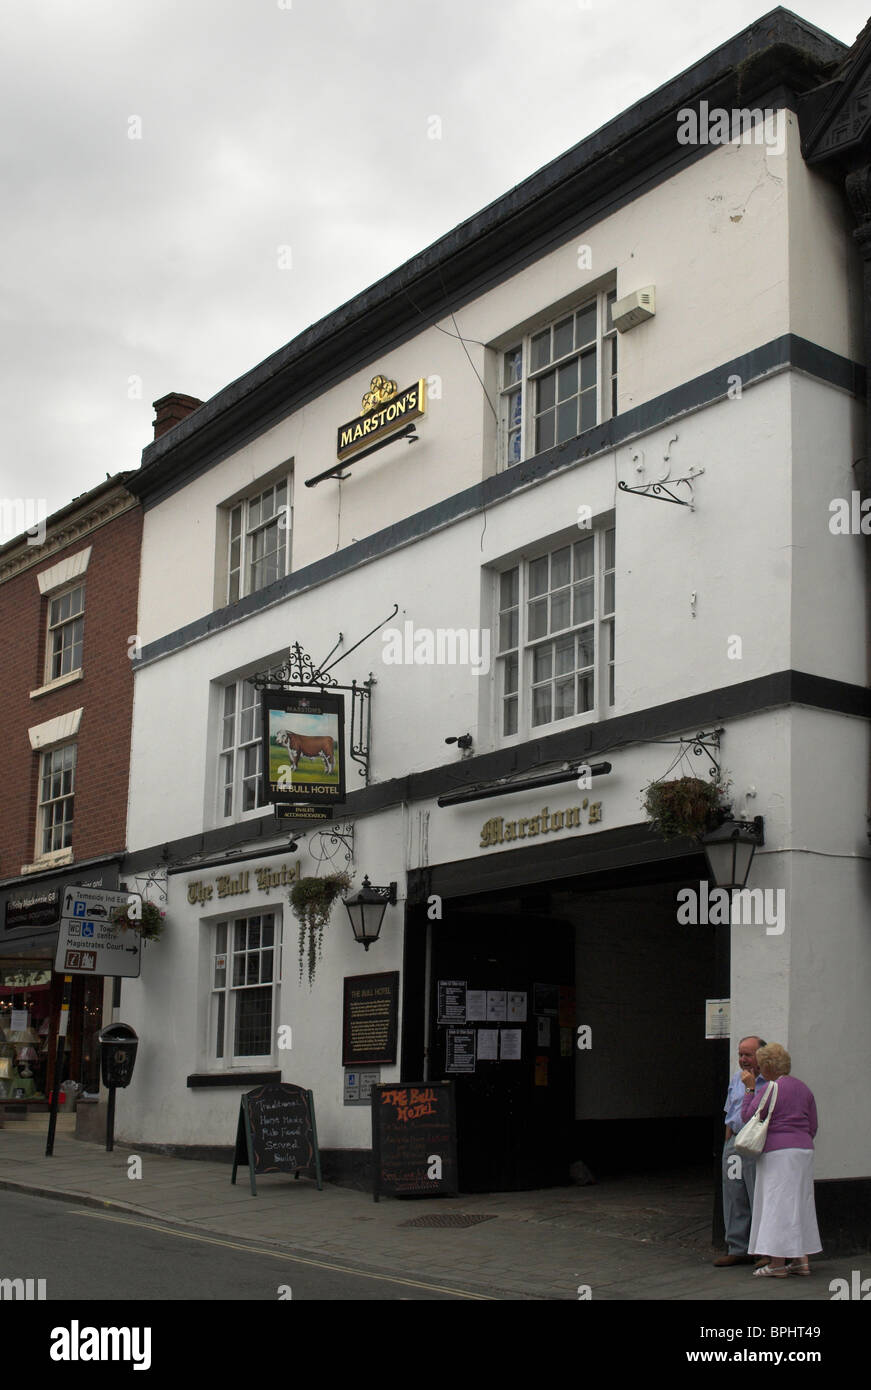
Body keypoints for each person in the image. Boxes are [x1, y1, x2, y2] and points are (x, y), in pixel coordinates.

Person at [740, 1043, 821, 1277]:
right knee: (799, 1203)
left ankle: (776, 1264)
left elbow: (749, 1116)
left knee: (776, 1204)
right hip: (803, 1150)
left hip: (778, 1152)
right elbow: (813, 1124)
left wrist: (749, 1090)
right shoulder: (804, 1089)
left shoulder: (771, 1088)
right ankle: (800, 1260)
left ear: (766, 1066)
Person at [713, 1035, 768, 1266]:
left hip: (755, 1144)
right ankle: (738, 1247)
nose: (743, 1059)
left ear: (761, 1057)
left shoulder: (770, 1082)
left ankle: (764, 1249)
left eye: (748, 1054)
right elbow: (730, 1112)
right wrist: (728, 1144)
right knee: (734, 1194)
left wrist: (751, 1087)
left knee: (757, 1194)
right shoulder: (737, 1078)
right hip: (735, 1142)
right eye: (740, 1055)